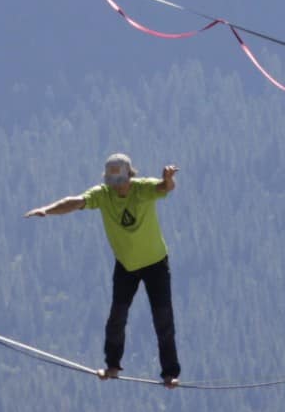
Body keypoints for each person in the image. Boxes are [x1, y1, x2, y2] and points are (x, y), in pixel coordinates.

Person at [25, 152, 181, 386]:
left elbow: (164, 188)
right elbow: (75, 201)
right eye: (112, 182)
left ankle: (170, 373)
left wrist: (168, 179)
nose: (117, 187)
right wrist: (48, 209)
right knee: (117, 317)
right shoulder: (103, 195)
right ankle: (112, 366)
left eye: (120, 181)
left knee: (163, 318)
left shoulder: (143, 189)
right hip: (126, 265)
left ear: (130, 175)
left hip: (156, 264)